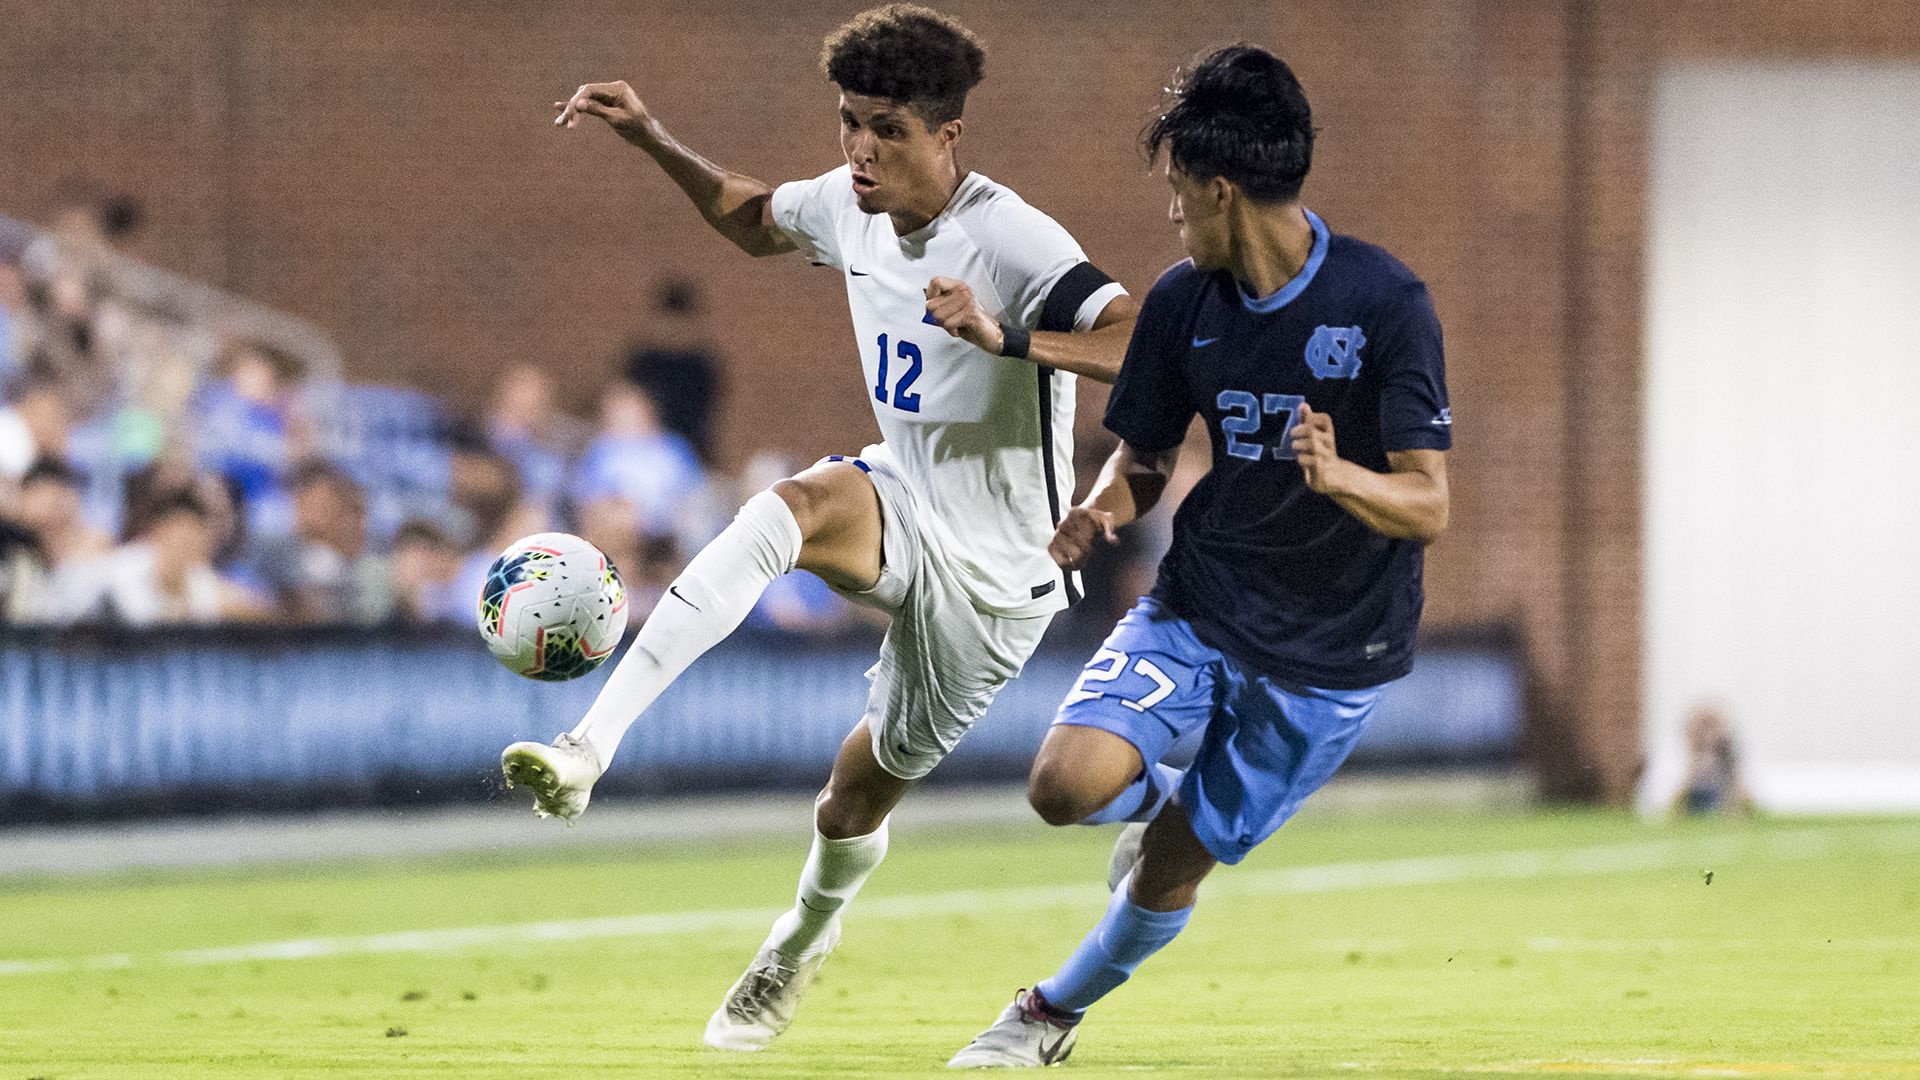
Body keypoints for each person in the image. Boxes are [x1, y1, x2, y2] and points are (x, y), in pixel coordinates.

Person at [499, 3, 1137, 1052]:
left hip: (997, 578)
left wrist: (1005, 334)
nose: (860, 150)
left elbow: (1138, 333)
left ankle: (802, 933)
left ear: (949, 137)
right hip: (902, 495)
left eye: (887, 128)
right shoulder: (848, 203)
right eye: (850, 122)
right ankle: (588, 748)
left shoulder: (1011, 236)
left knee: (852, 800)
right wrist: (654, 138)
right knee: (789, 508)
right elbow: (756, 218)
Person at [947, 45, 1452, 1067]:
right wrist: (1093, 516)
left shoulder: (1386, 304)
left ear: (1220, 190)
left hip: (1334, 651)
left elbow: (1429, 504)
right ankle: (1161, 802)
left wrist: (1340, 477)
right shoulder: (1183, 302)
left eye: (1178, 192)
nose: (1170, 213)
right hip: (1201, 605)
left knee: (1168, 871)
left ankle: (1047, 1014)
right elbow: (1143, 456)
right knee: (1062, 786)